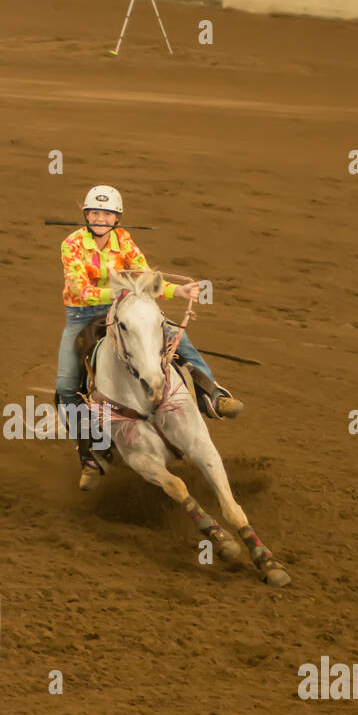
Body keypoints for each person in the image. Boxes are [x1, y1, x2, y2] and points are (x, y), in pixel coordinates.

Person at [56, 185, 243, 490]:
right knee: (66, 384)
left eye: (107, 213)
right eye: (94, 212)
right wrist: (119, 291)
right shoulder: (72, 243)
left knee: (174, 335)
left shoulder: (124, 241)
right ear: (86, 215)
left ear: (117, 218)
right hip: (83, 314)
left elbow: (144, 280)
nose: (100, 218)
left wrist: (177, 291)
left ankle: (212, 394)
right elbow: (81, 290)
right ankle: (92, 452)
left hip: (123, 307)